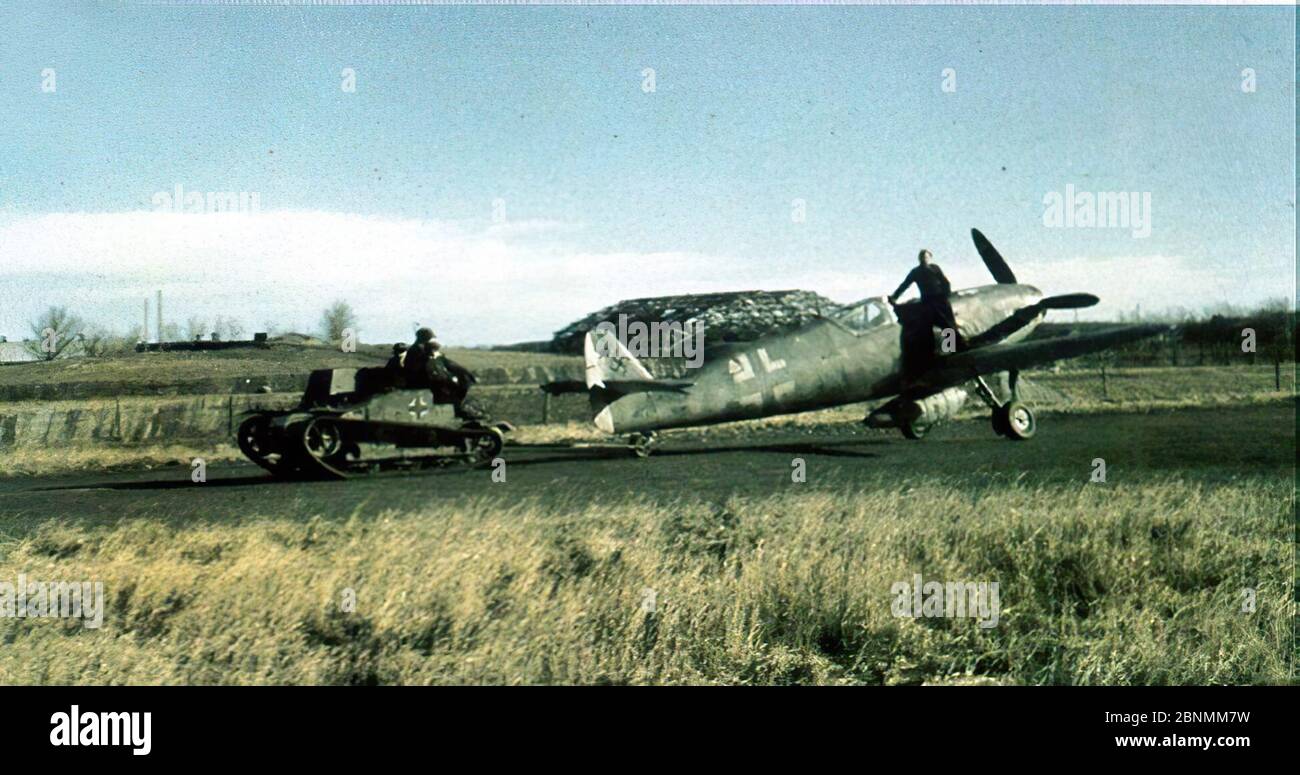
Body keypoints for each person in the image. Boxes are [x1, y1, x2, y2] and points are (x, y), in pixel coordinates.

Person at [888, 249, 962, 352]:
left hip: (941, 300)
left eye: (926, 257)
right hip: (928, 302)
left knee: (948, 324)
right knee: (927, 328)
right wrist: (894, 296)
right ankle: (934, 353)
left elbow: (945, 282)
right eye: (922, 257)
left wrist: (946, 294)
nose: (924, 259)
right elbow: (905, 285)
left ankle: (952, 349)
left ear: (930, 258)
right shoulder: (915, 272)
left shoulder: (935, 268)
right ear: (919, 259)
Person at [404, 327, 485, 419]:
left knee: (454, 384)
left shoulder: (424, 349)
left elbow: (446, 363)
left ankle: (456, 409)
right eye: (428, 337)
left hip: (427, 378)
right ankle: (456, 410)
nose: (429, 339)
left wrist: (466, 373)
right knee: (449, 386)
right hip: (420, 380)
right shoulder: (416, 350)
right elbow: (418, 369)